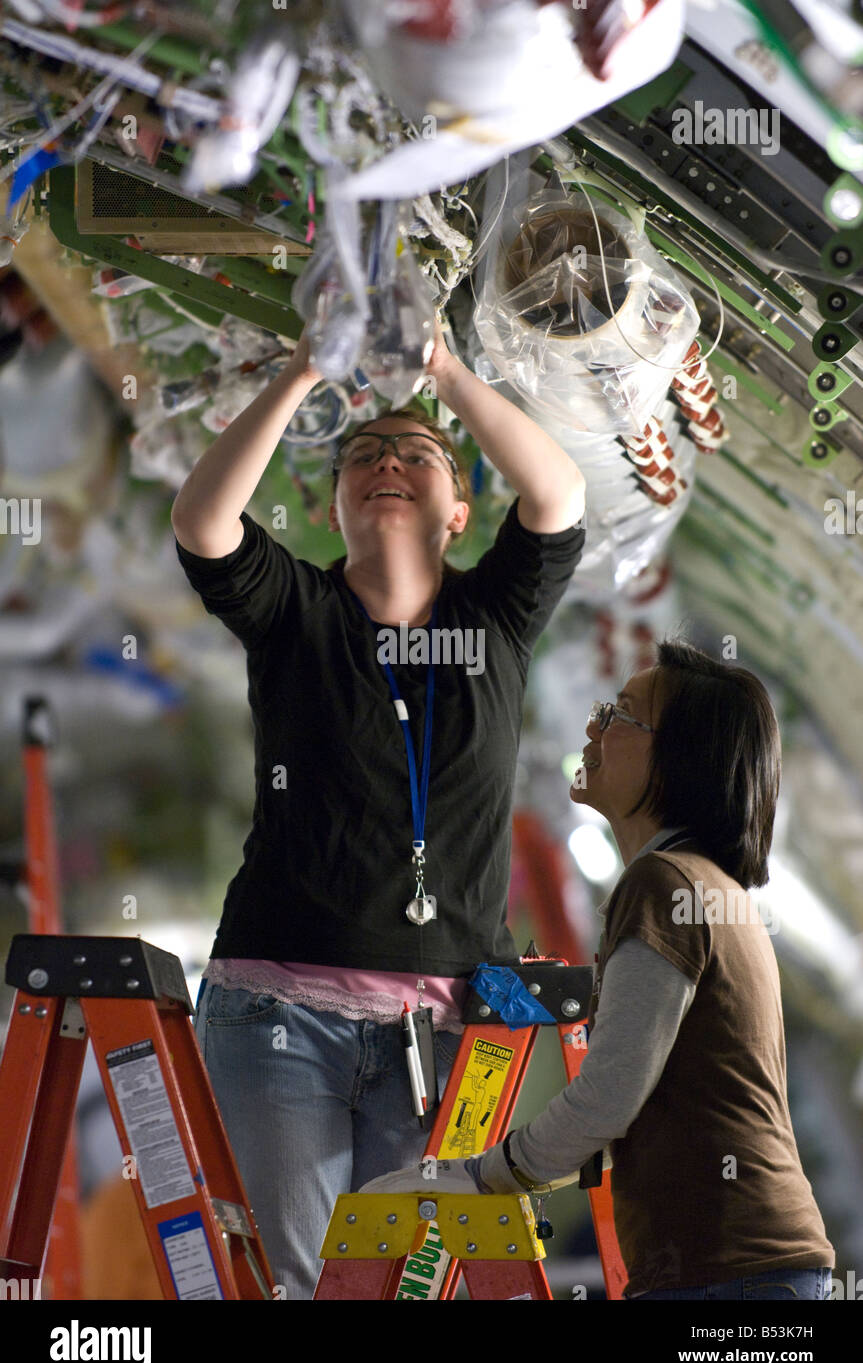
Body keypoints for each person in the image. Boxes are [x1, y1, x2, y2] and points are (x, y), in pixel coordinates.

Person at [170, 319, 586, 1298]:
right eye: (360, 456)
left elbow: (556, 494)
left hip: (440, 1024)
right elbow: (202, 523)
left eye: (417, 455)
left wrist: (441, 365)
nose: (386, 462)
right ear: (333, 507)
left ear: (456, 509)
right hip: (277, 1005)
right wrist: (303, 363)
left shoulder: (495, 620)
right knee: (292, 1283)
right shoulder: (294, 613)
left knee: (405, 1287)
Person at [364, 641, 836, 1301]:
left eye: (619, 716)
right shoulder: (713, 889)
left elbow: (610, 1093)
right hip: (749, 1267)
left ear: (676, 759)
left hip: (725, 1274)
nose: (592, 727)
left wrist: (475, 1177)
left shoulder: (662, 884)